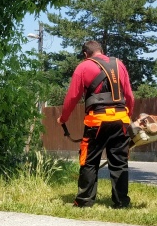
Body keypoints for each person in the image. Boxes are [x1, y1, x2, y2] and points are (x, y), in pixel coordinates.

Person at [57, 40, 135, 208]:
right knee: (119, 162)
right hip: (121, 119)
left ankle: (84, 201)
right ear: (101, 51)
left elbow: (72, 98)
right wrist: (128, 117)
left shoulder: (83, 67)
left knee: (89, 161)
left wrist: (63, 118)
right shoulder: (119, 65)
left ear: (86, 54)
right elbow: (129, 96)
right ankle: (121, 202)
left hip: (97, 121)